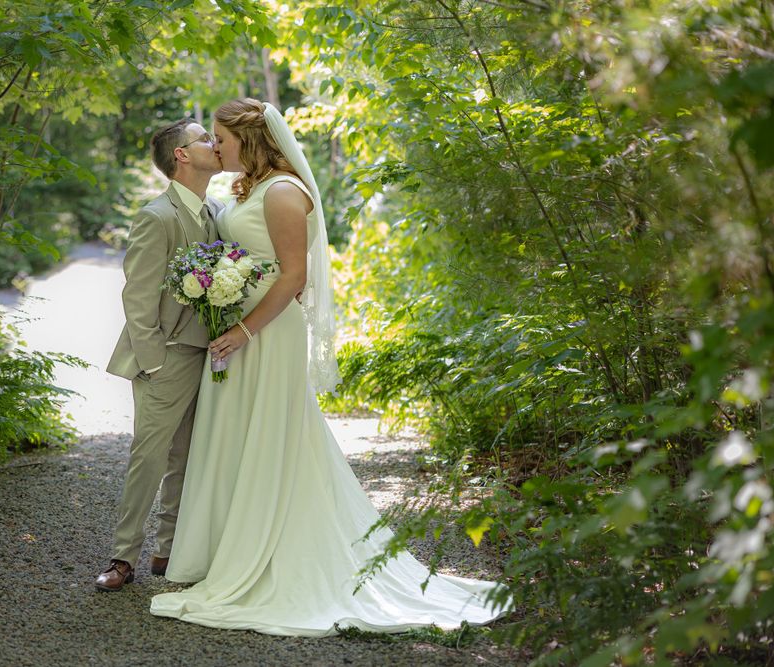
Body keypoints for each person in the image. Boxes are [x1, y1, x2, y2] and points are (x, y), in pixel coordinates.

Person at [149, 99, 511, 634]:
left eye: (222, 138)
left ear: (249, 140)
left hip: (267, 337)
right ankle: (227, 550)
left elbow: (294, 277)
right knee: (235, 438)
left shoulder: (285, 191)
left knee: (273, 439)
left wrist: (243, 330)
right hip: (239, 334)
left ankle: (279, 553)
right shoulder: (246, 188)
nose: (217, 146)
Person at [97, 119, 223, 591]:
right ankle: (123, 558)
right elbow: (138, 296)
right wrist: (153, 360)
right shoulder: (157, 215)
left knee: (187, 457)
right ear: (183, 156)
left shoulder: (214, 210)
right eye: (204, 139)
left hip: (207, 357)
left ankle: (166, 552)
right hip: (166, 357)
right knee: (148, 457)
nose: (214, 144)